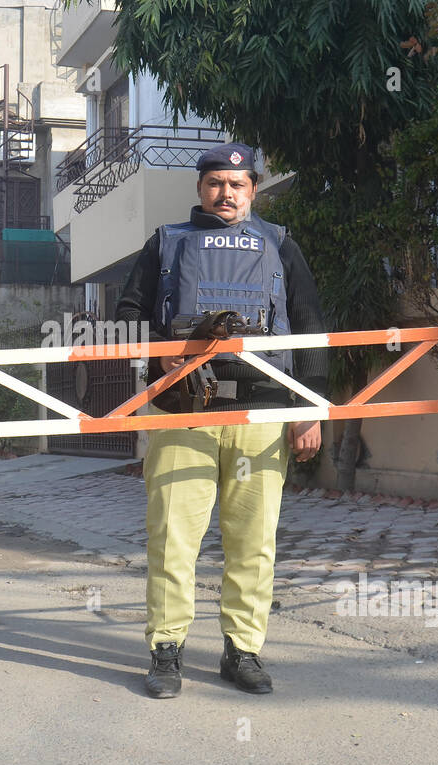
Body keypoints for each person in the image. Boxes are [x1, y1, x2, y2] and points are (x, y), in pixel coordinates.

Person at [115, 142, 328, 697]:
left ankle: (243, 651)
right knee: (172, 539)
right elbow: (127, 317)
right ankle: (166, 651)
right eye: (215, 183)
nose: (226, 193)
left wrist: (309, 408)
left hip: (260, 410)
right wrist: (162, 351)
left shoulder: (279, 244)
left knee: (253, 542)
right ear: (200, 188)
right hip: (182, 412)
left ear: (254, 189)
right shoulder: (166, 243)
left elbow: (309, 326)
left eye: (237, 184)